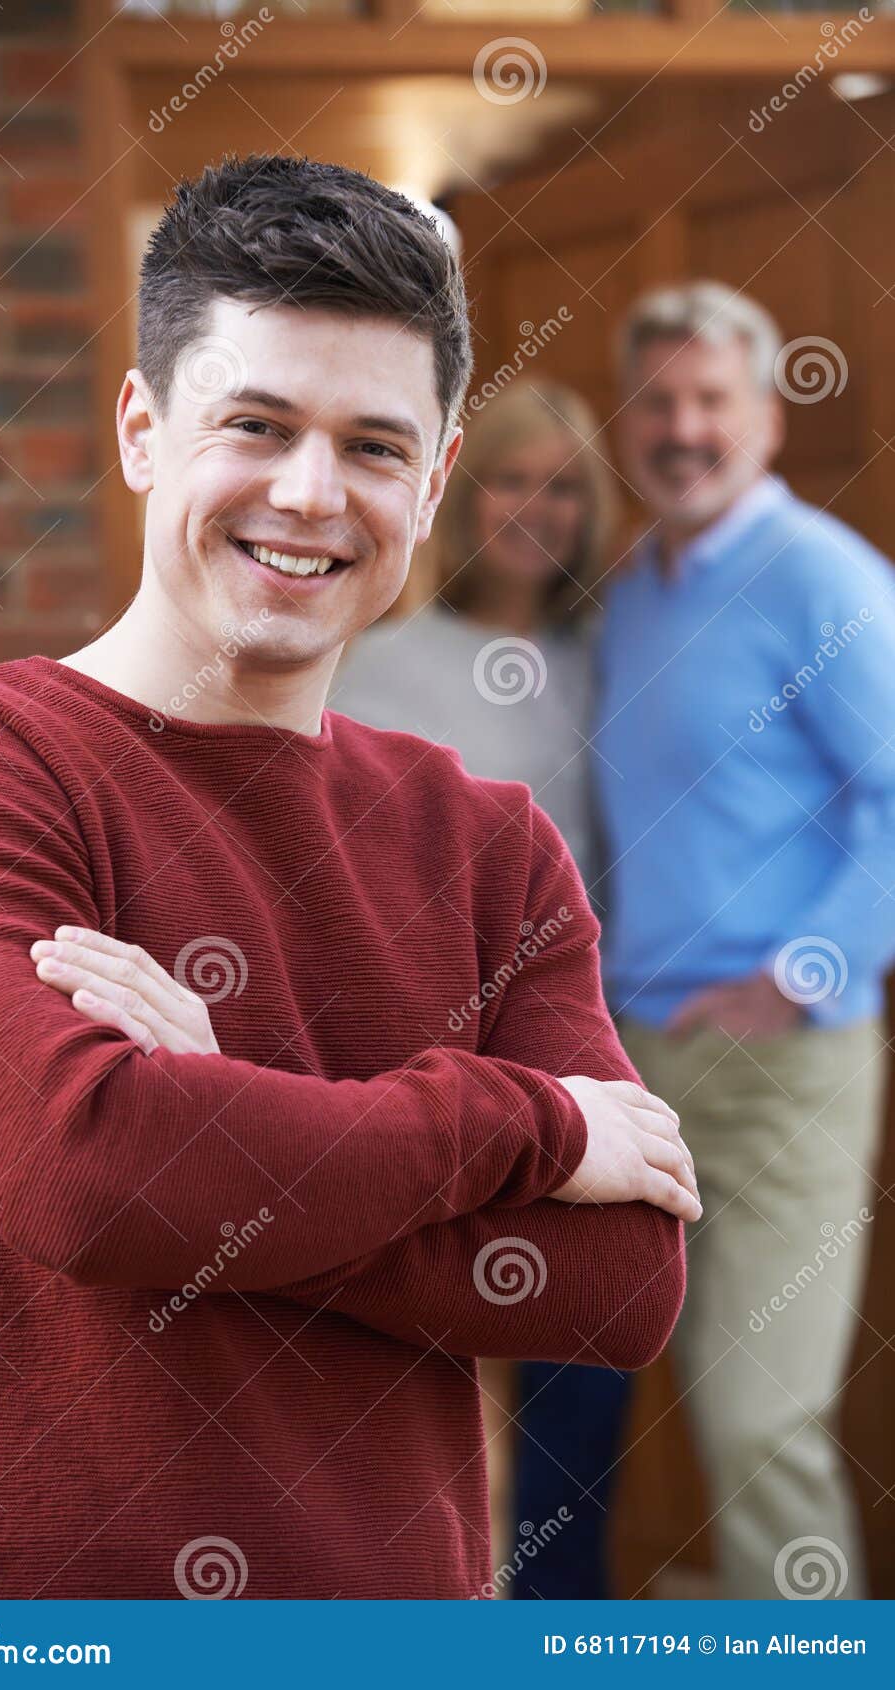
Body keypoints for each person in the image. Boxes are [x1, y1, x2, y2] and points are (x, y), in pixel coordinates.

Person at [0, 156, 697, 1602]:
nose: (309, 493)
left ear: (432, 476)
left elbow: (617, 1287)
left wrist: (219, 1111)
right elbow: (92, 1176)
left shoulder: (494, 846)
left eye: (372, 444)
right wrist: (528, 1124)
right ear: (141, 429)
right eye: (256, 423)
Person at [594, 278, 895, 1599]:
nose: (684, 427)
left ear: (767, 416)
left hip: (783, 1064)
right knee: (652, 1387)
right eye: (658, 400)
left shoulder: (821, 573)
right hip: (642, 1053)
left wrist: (804, 972)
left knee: (759, 1413)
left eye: (712, 398)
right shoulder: (635, 590)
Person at [332, 378, 631, 1599]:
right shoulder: (375, 664)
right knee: (394, 1371)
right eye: (512, 478)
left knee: (586, 1363)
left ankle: (557, 1625)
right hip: (417, 1066)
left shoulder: (611, 662)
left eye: (564, 486)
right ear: (461, 497)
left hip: (588, 1058)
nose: (536, 509)